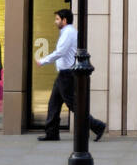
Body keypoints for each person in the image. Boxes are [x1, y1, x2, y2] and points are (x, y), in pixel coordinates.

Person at [36, 9, 106, 142]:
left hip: (67, 75)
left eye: (57, 19)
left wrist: (43, 61)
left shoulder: (68, 33)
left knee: (74, 105)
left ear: (64, 20)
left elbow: (60, 52)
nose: (55, 22)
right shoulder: (67, 32)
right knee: (54, 104)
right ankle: (51, 133)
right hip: (63, 74)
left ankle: (97, 126)